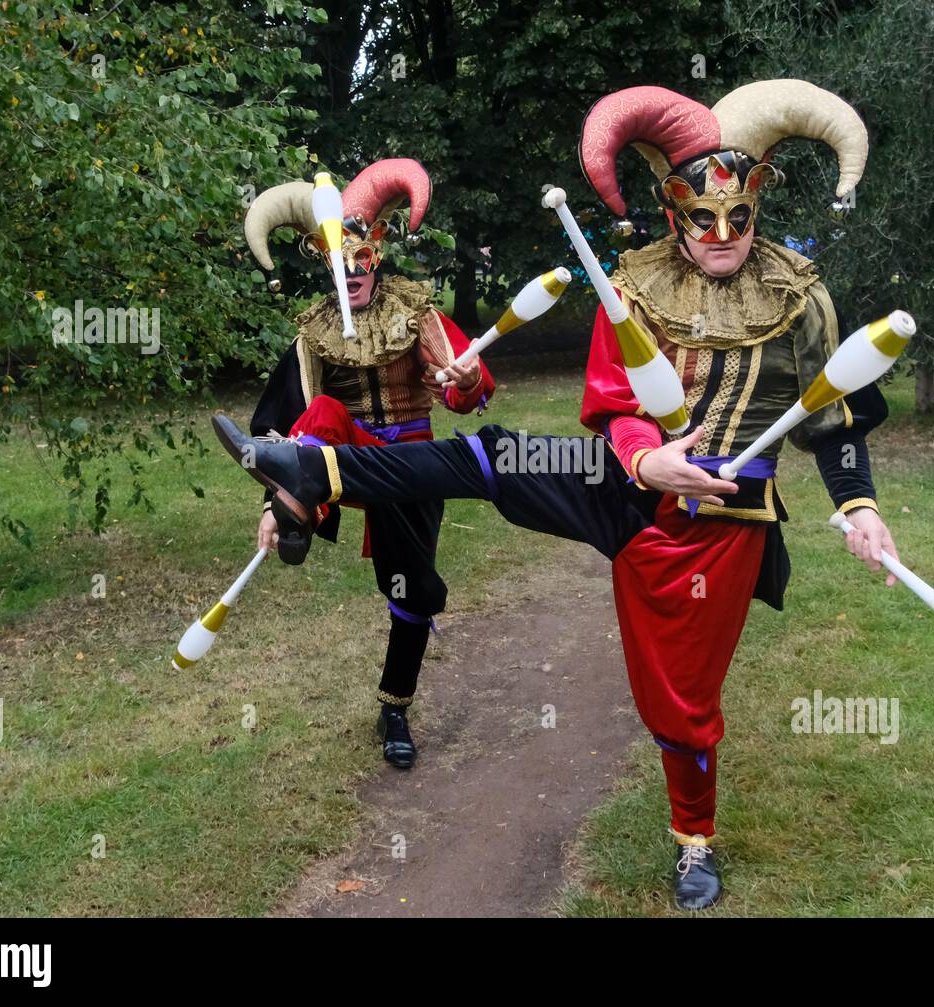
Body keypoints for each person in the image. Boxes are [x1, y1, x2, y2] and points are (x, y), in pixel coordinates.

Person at [218, 80, 899, 910]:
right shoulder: (636, 288)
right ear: (672, 211)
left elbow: (832, 422)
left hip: (718, 519)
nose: (721, 237)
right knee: (492, 458)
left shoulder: (801, 297)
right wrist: (646, 461)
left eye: (740, 219)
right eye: (700, 219)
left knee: (679, 703)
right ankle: (311, 472)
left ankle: (693, 842)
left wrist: (859, 507)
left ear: (759, 206)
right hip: (620, 482)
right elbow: (615, 404)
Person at [242, 159, 496, 768]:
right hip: (349, 462)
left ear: (377, 254)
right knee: (325, 408)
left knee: (410, 589)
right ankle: (296, 506)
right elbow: (283, 422)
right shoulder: (314, 334)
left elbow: (470, 392)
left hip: (412, 465)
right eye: (335, 263)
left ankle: (395, 706)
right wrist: (268, 496)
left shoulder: (416, 313)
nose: (349, 273)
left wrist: (461, 381)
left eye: (359, 260)